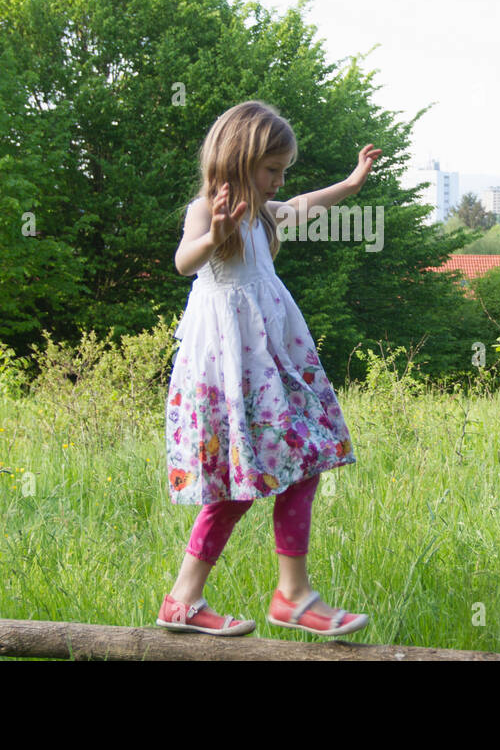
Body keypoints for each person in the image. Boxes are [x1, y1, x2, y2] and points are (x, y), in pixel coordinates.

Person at [158, 100, 381, 637]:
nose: (279, 181)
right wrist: (214, 233)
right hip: (230, 372)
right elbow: (183, 261)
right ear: (238, 158)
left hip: (270, 365)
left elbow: (304, 204)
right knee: (242, 483)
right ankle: (215, 598)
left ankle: (278, 594)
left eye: (283, 172)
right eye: (271, 170)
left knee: (303, 458)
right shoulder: (207, 210)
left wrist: (351, 185)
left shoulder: (260, 211)